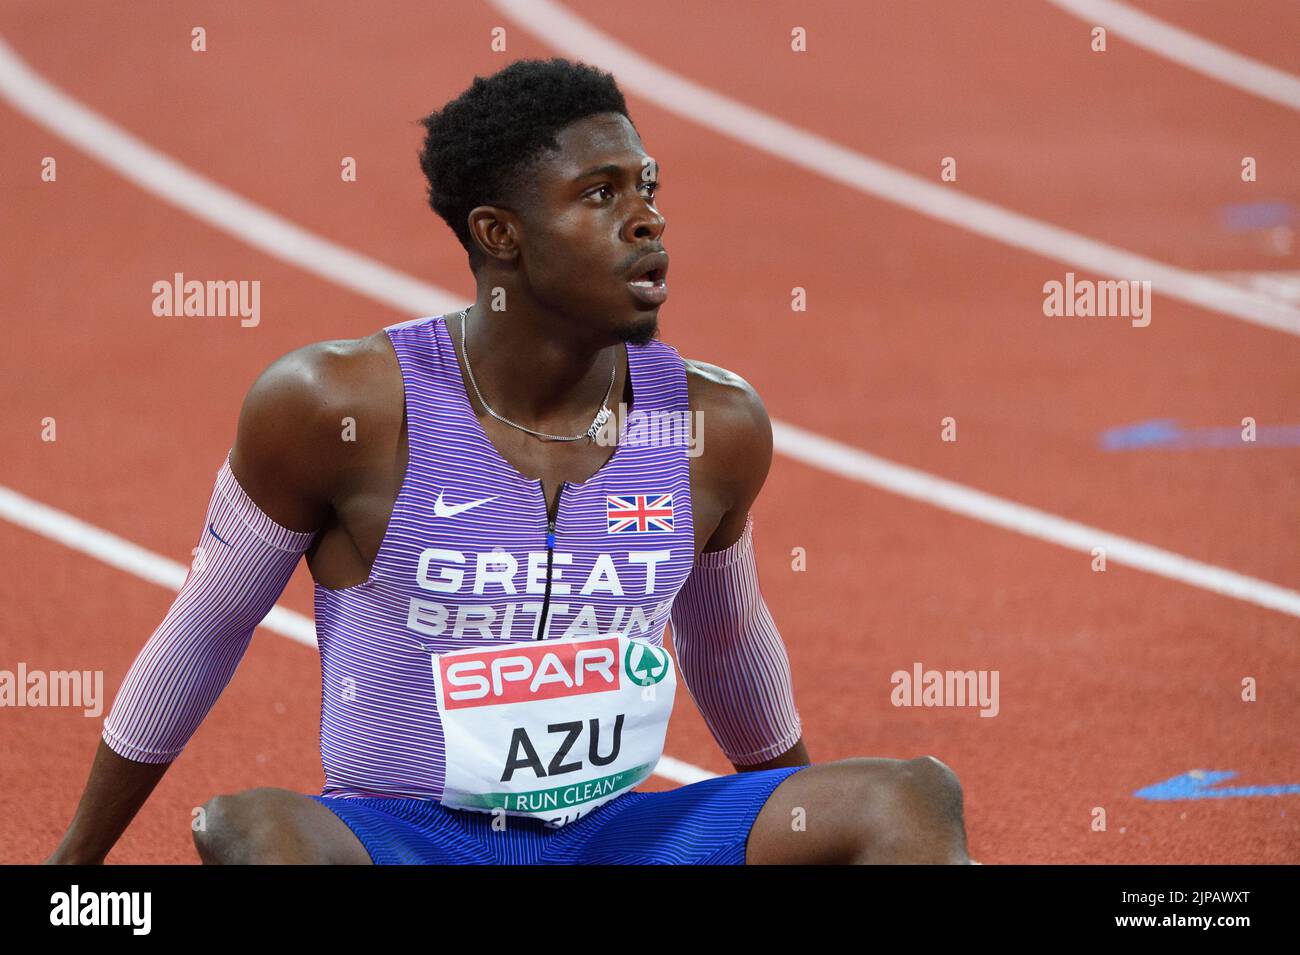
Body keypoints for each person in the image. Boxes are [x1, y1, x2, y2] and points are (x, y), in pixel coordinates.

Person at [47, 58, 971, 865]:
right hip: (408, 836)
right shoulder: (338, 406)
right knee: (249, 831)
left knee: (909, 799)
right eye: (602, 194)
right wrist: (75, 865)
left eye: (649, 187)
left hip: (621, 841)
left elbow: (727, 641)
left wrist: (802, 823)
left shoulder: (710, 421)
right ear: (499, 235)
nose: (648, 221)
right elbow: (206, 630)